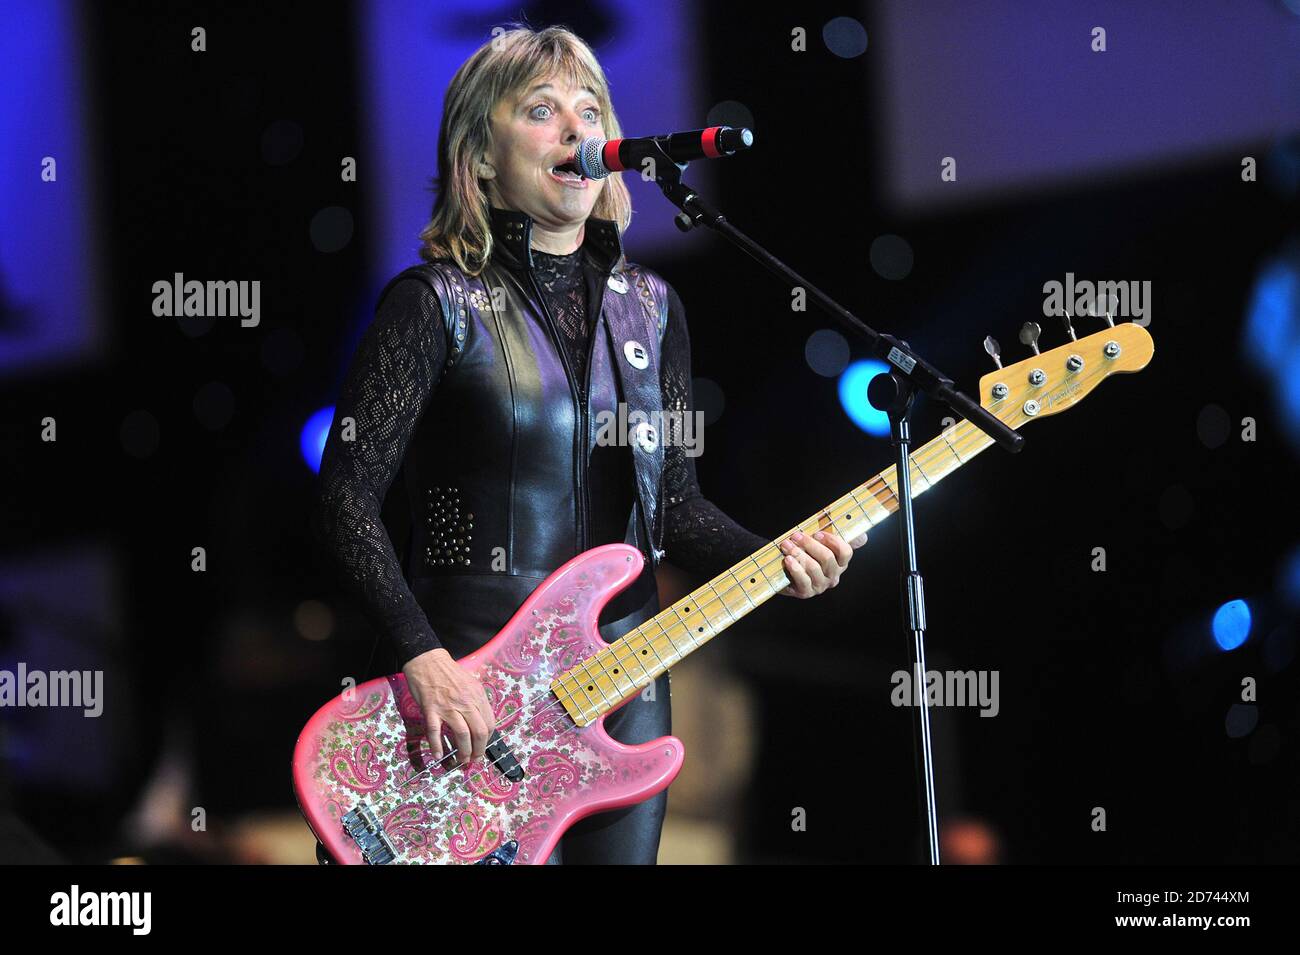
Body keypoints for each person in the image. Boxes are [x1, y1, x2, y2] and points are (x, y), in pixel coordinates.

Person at [311, 23, 865, 865]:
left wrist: (776, 558)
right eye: (541, 110)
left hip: (620, 687)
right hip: (465, 682)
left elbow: (673, 508)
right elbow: (345, 499)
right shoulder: (435, 303)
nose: (577, 130)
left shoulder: (651, 307)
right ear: (482, 154)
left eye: (590, 108)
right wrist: (423, 655)